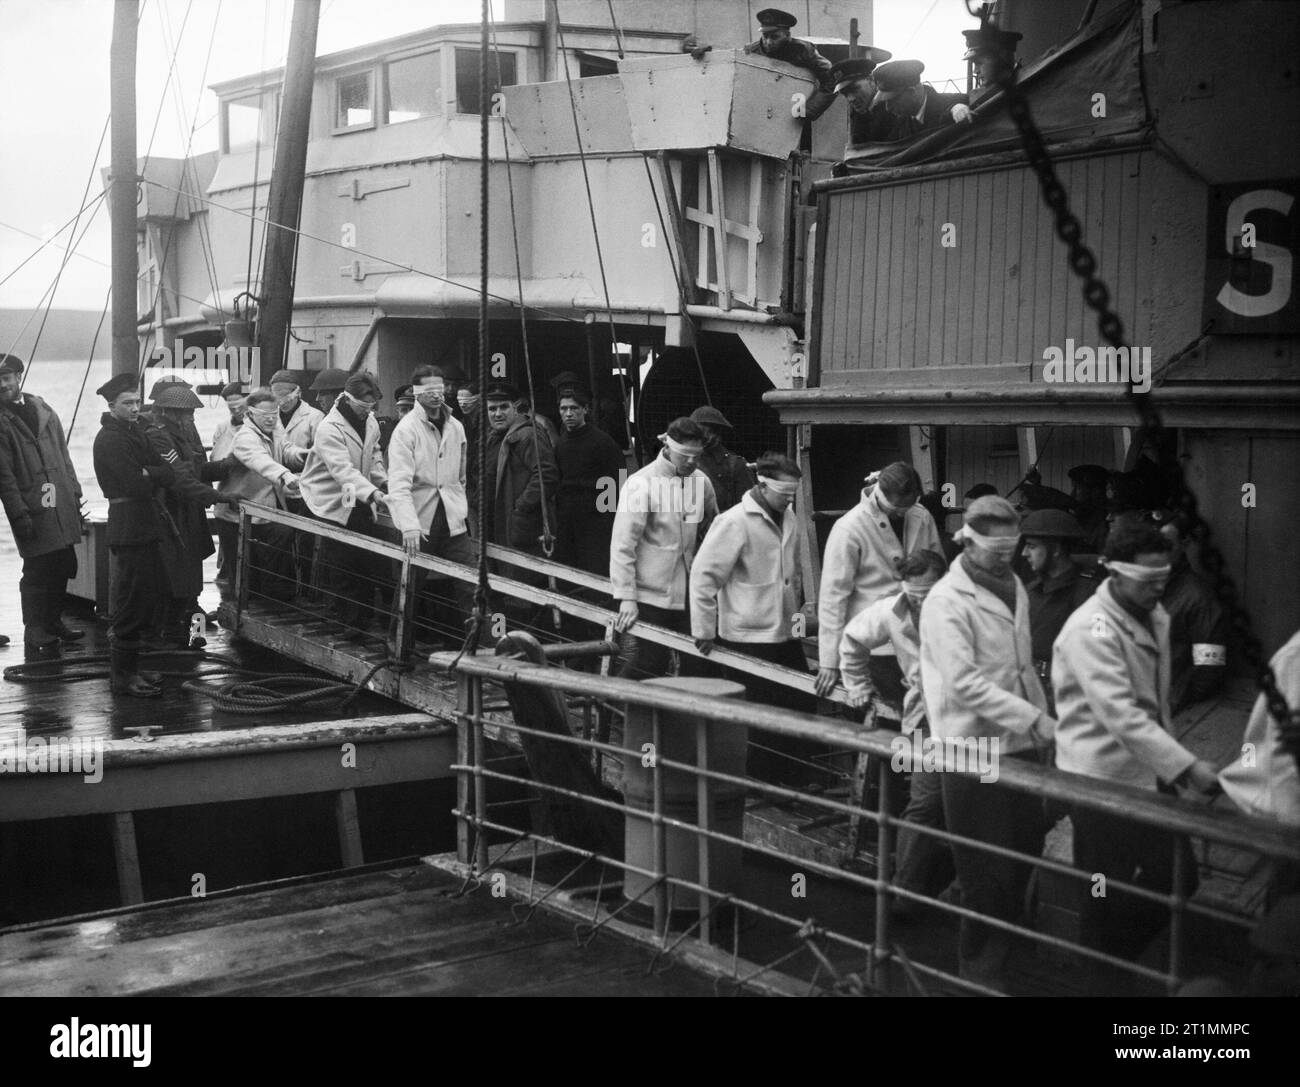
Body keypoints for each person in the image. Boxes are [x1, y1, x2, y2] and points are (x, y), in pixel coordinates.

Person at [1053, 520, 1219, 967]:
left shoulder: (1154, 611)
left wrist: (1171, 759)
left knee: (1179, 878)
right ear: (1114, 571)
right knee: (1103, 882)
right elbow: (1120, 713)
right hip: (1099, 777)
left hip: (1149, 768)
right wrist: (1188, 768)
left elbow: (1159, 697)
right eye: (1148, 581)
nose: (1157, 589)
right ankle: (1098, 968)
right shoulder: (1091, 629)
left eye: (1163, 580)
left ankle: (1112, 954)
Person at [919, 495, 1055, 987]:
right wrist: (1034, 719)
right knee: (985, 870)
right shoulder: (945, 602)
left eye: (1010, 551)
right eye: (995, 552)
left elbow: (1020, 666)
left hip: (1019, 747)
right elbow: (964, 684)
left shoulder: (1012, 584)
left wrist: (1038, 723)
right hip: (971, 750)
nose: (1005, 559)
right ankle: (979, 973)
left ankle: (1012, 956)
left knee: (1022, 853)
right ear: (968, 543)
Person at [841, 549, 953, 910]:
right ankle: (904, 893)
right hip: (925, 720)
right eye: (913, 596)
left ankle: (969, 895)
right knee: (924, 803)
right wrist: (857, 687)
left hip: (977, 721)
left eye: (927, 595)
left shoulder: (968, 609)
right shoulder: (893, 610)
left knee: (978, 803)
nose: (919, 604)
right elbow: (854, 639)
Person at [691, 452, 811, 712]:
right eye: (784, 492)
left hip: (784, 630)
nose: (790, 499)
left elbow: (795, 573)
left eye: (793, 493)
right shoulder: (733, 522)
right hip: (747, 633)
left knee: (801, 702)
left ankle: (798, 753)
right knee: (759, 708)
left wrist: (797, 625)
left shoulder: (788, 516)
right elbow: (703, 576)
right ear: (763, 485)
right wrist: (703, 629)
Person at [815, 461, 942, 702]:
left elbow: (939, 571)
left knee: (922, 719)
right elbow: (833, 598)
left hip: (917, 642)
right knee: (879, 721)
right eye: (897, 508)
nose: (903, 513)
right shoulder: (849, 528)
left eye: (909, 506)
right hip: (872, 647)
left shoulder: (922, 517)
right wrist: (829, 661)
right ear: (880, 494)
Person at [611, 417, 718, 681]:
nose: (692, 462)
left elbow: (714, 530)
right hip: (650, 594)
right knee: (651, 661)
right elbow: (623, 545)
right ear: (668, 447)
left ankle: (684, 721)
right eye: (685, 456)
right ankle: (611, 710)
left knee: (700, 662)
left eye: (697, 456)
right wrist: (626, 597)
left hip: (690, 593)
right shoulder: (641, 484)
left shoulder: (701, 482)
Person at [92, 373, 176, 697]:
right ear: (112, 406)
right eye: (128, 403)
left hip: (144, 521)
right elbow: (132, 484)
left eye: (138, 402)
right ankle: (122, 676)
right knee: (129, 601)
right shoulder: (109, 439)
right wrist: (149, 474)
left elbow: (166, 472)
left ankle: (133, 668)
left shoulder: (135, 430)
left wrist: (149, 473)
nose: (135, 408)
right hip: (127, 522)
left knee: (144, 597)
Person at [385, 365, 476, 655]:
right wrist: (409, 525)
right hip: (419, 519)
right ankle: (398, 650)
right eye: (429, 391)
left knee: (469, 582)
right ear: (416, 393)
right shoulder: (406, 431)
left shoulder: (456, 426)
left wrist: (460, 507)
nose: (437, 396)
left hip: (452, 518)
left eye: (440, 389)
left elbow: (461, 474)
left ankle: (474, 650)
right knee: (410, 587)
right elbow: (398, 485)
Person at [0, 353, 85, 652]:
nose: (2, 385)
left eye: (6, 378)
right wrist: (19, 514)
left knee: (63, 562)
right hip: (32, 504)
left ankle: (53, 622)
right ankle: (33, 629)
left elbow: (64, 455)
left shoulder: (43, 408)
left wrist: (74, 491)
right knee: (37, 567)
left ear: (18, 378)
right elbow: (4, 476)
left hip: (58, 498)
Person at [299, 371, 390, 642]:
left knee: (363, 559)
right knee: (340, 561)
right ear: (347, 399)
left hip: (355, 495)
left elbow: (373, 454)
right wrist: (373, 494)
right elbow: (343, 470)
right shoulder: (329, 428)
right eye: (362, 407)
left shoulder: (370, 421)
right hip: (328, 497)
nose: (367, 412)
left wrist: (383, 481)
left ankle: (362, 618)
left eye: (371, 407)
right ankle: (347, 622)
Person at [144, 380, 226, 649]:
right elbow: (178, 477)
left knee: (192, 581)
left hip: (189, 511)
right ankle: (178, 633)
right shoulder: (157, 435)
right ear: (169, 411)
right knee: (178, 579)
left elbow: (197, 468)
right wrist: (217, 497)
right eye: (186, 413)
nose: (190, 417)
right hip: (172, 513)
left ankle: (192, 634)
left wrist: (227, 467)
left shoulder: (183, 431)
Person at [219, 387, 305, 604]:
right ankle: (245, 606)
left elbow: (285, 449)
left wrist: (304, 455)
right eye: (264, 416)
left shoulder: (276, 429)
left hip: (263, 506)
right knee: (241, 565)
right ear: (250, 414)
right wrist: (284, 474)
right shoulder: (244, 437)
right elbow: (260, 461)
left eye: (274, 414)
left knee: (275, 542)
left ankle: (269, 598)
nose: (271, 419)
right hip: (236, 509)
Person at [485, 382, 559, 627]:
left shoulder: (528, 435)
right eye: (492, 408)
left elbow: (546, 475)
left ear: (515, 408)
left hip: (521, 525)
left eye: (503, 407)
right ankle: (509, 642)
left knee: (524, 589)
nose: (497, 413)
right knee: (503, 587)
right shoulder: (495, 438)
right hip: (499, 524)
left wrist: (521, 507)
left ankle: (528, 646)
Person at [1219, 627, 1300, 828]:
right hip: (1271, 795)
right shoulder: (1295, 659)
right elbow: (1283, 762)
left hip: (1260, 760)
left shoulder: (1196, 603)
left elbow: (1208, 665)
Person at [1151, 509, 1229, 713]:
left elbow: (1210, 668)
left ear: (1184, 544)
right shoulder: (1138, 585)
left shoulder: (1199, 598)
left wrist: (1176, 697)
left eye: (1165, 544)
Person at [1020, 508, 1098, 708]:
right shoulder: (1030, 591)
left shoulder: (1091, 594)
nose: (1024, 553)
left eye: (1031, 546)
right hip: (1031, 690)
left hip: (1072, 695)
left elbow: (1101, 650)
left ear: (1055, 550)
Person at [554, 383, 623, 578]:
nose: (568, 413)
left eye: (574, 408)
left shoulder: (603, 442)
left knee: (595, 570)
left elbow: (618, 480)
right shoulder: (560, 443)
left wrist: (606, 520)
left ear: (585, 409)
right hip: (568, 519)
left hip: (595, 521)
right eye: (564, 408)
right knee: (569, 570)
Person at [869, 59, 971, 141]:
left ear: (911, 92)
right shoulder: (901, 122)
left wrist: (957, 108)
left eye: (892, 100)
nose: (888, 108)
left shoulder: (956, 105)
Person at [742, 9, 835, 94]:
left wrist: (810, 109)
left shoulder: (803, 50)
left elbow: (830, 78)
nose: (768, 42)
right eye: (765, 36)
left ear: (787, 35)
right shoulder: (750, 52)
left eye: (775, 37)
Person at [211, 381, 247, 593]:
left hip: (256, 503)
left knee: (256, 562)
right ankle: (233, 600)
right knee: (233, 560)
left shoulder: (265, 427)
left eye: (239, 405)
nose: (236, 410)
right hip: (226, 505)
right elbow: (215, 458)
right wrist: (228, 463)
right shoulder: (222, 429)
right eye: (230, 406)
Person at [690, 406, 753, 513]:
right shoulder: (684, 460)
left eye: (704, 430)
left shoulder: (736, 465)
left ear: (715, 432)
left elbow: (746, 509)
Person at [828, 52, 893, 147]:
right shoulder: (858, 113)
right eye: (845, 94)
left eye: (855, 89)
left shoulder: (893, 107)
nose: (850, 98)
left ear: (871, 80)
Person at [962, 23, 1022, 103]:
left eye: (979, 63)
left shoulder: (1026, 87)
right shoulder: (978, 94)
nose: (975, 71)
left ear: (1002, 60)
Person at [1067, 463, 1110, 554]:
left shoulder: (1105, 521)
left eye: (1078, 488)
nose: (1072, 493)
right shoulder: (1080, 513)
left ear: (1095, 491)